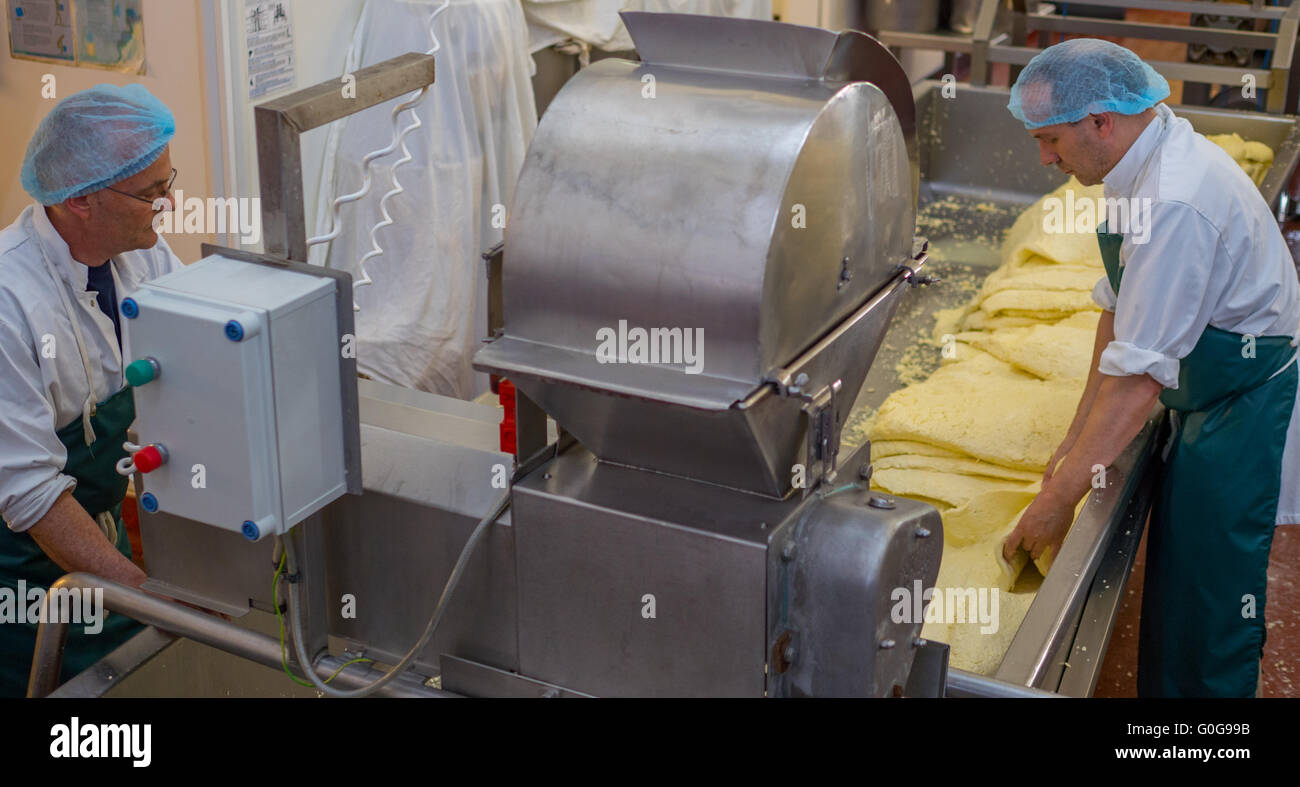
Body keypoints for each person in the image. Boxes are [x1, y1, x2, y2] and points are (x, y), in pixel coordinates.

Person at [1000, 39, 1300, 697]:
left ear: (1101, 122)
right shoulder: (1132, 162)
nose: (1044, 158)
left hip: (1240, 397)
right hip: (1201, 385)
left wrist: (1057, 501)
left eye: (1050, 140)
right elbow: (1117, 311)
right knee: (1178, 570)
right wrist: (1076, 442)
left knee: (1213, 587)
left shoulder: (1175, 201)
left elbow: (1139, 381)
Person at [0, 84, 185, 696]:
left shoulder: (142, 259)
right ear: (80, 198)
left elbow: (198, 350)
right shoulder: (9, 302)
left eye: (167, 183)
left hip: (102, 532)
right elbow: (31, 494)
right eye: (150, 193)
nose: (167, 204)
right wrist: (147, 596)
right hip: (20, 571)